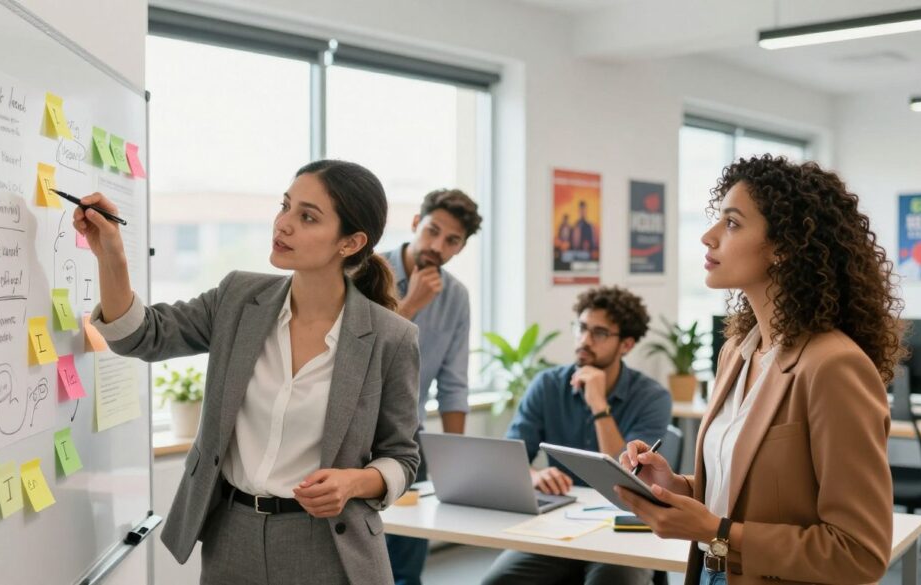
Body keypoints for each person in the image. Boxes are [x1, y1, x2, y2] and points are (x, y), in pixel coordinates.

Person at [74, 160, 421, 585]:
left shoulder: (391, 338)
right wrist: (112, 252)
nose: (283, 224)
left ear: (350, 242)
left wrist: (355, 482)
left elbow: (403, 458)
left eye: (307, 216)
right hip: (232, 533)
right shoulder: (238, 298)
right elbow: (141, 336)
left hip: (328, 544)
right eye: (286, 206)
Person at [616, 154, 904, 585]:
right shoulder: (736, 352)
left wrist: (714, 532)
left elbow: (859, 553)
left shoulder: (833, 366)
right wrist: (677, 488)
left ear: (784, 246)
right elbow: (751, 492)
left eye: (732, 223)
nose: (708, 237)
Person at [481, 285, 672, 585]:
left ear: (626, 345)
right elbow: (509, 458)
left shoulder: (652, 397)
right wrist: (532, 475)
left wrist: (599, 405)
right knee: (496, 582)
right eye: (581, 328)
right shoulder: (547, 386)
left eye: (599, 333)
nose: (584, 340)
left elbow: (626, 477)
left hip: (622, 529)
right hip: (560, 526)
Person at [380, 188, 482, 585]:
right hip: (350, 436)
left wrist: (455, 462)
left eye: (451, 240)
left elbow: (454, 385)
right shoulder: (367, 271)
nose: (438, 246)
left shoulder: (456, 297)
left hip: (408, 440)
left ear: (460, 247)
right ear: (414, 224)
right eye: (432, 231)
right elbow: (357, 358)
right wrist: (411, 306)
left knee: (407, 563)